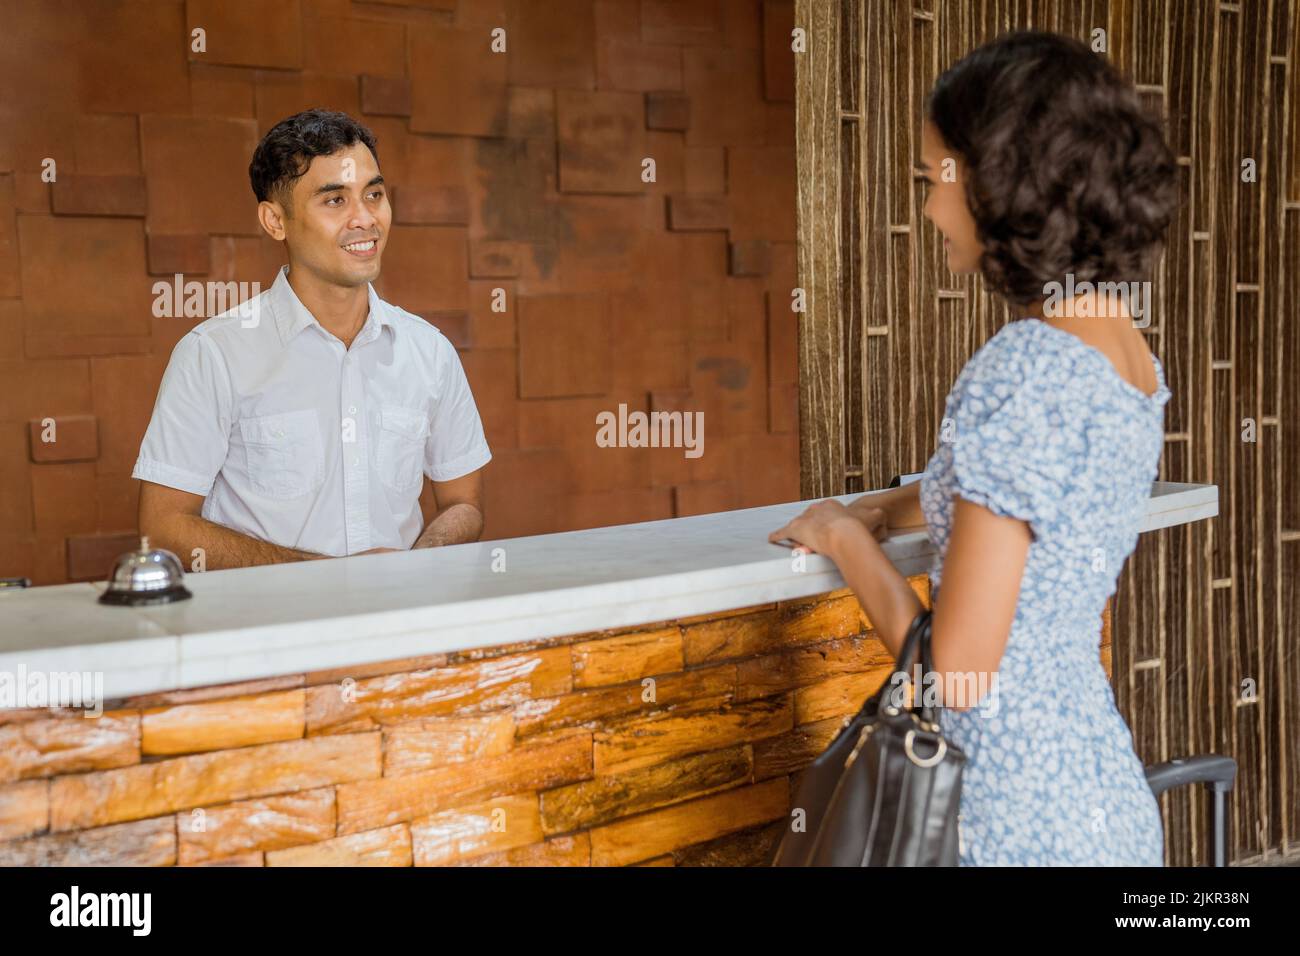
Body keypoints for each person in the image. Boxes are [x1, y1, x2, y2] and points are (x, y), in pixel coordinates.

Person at [769, 31, 1177, 865]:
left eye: (934, 179)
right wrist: (896, 502)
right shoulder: (1121, 349)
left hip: (1008, 812)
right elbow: (1027, 488)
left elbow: (957, 671)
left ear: (1003, 182)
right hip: (1099, 795)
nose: (928, 208)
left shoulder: (1022, 367)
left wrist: (844, 536)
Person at [133, 110, 491, 569]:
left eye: (374, 194)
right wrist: (328, 578)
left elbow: (464, 504)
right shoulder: (213, 354)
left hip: (398, 629)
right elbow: (163, 527)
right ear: (274, 221)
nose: (365, 219)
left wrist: (415, 566)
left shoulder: (430, 351)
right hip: (264, 634)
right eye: (335, 201)